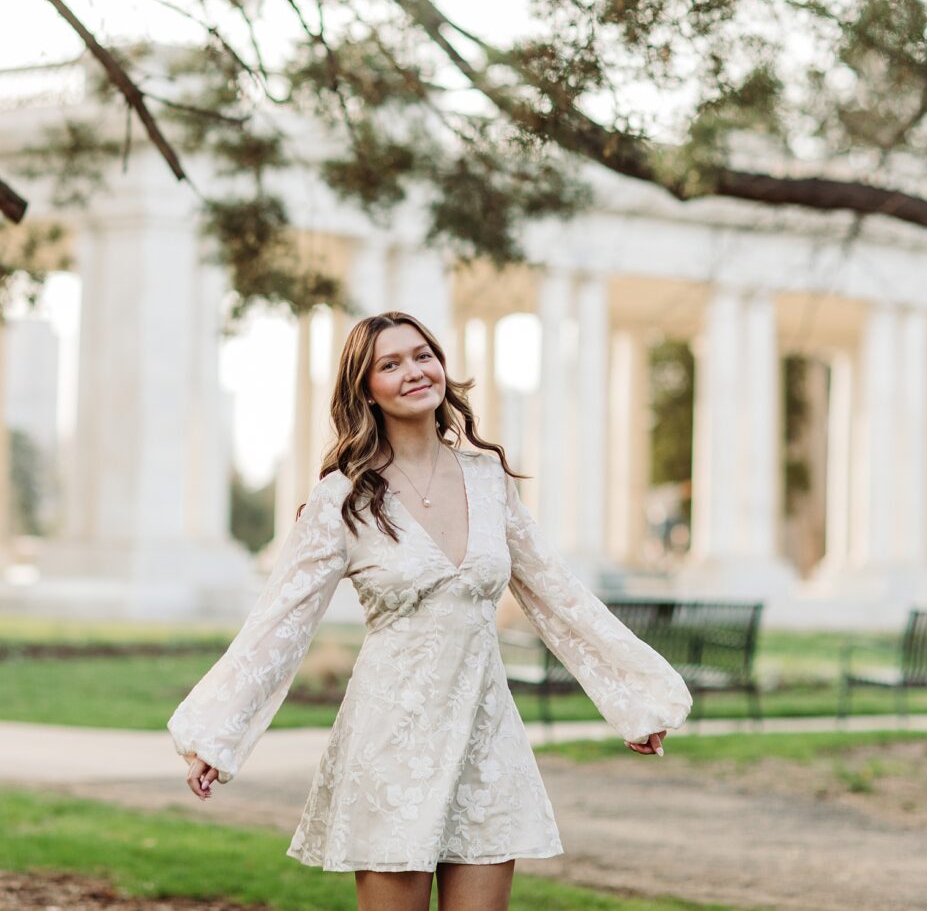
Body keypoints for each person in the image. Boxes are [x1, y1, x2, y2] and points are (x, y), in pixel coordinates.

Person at [168, 311, 692, 910]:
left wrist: (638, 696)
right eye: (390, 364)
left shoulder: (489, 478)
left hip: (485, 737)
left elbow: (558, 593)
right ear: (365, 388)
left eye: (423, 355)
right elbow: (280, 622)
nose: (414, 371)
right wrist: (216, 734)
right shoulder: (343, 496)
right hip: (392, 741)